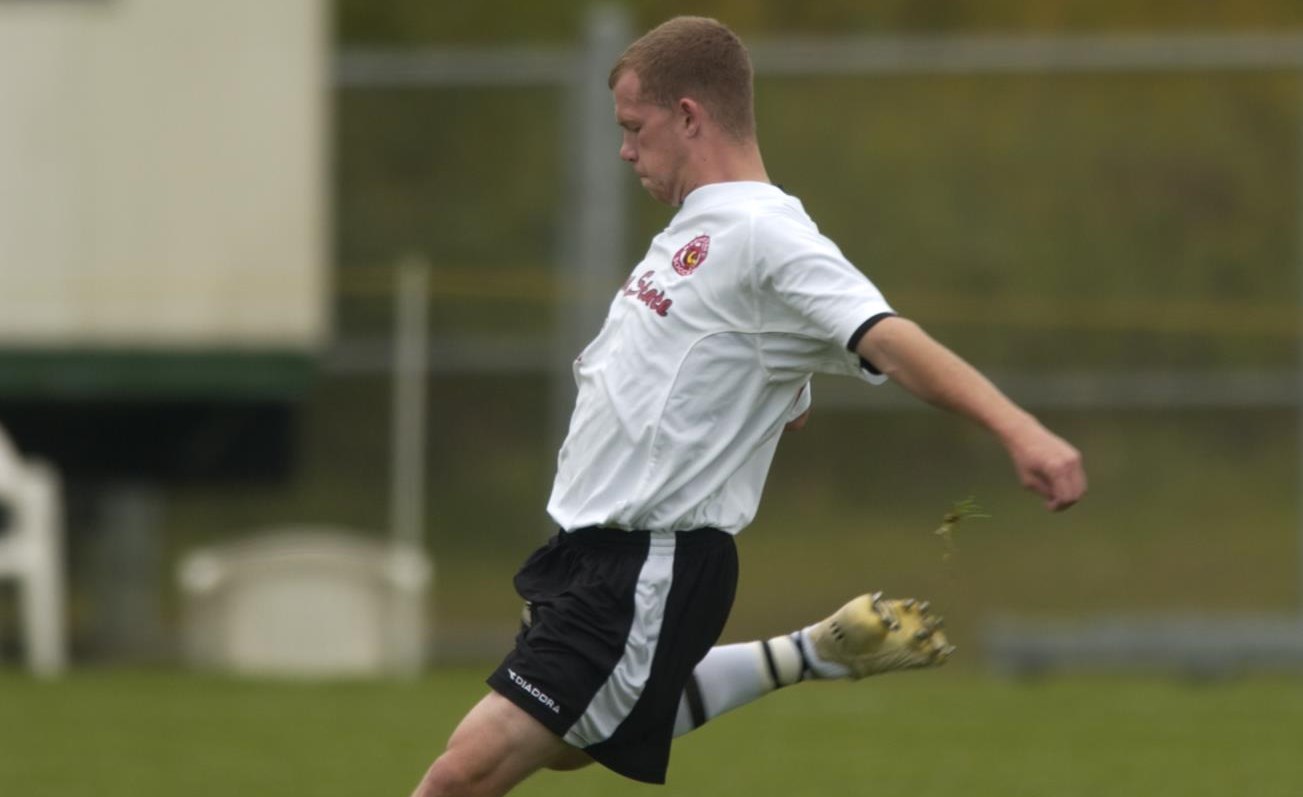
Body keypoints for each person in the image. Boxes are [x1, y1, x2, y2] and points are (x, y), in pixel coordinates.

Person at [410, 15, 1085, 797]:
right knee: (569, 742)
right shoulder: (700, 227)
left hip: (645, 562)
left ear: (689, 116)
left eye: (635, 127)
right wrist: (778, 392)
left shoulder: (767, 234)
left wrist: (1018, 427)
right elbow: (736, 352)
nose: (625, 150)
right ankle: (809, 653)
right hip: (589, 555)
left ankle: (806, 655)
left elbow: (887, 337)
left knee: (457, 778)